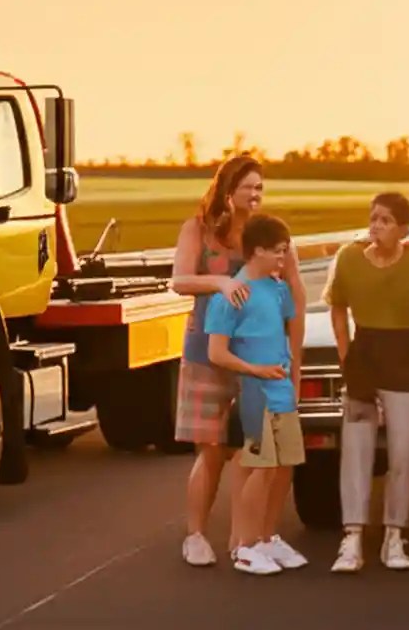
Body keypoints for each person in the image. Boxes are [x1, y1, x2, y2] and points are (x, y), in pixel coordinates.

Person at [170, 153, 306, 567]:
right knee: (211, 449)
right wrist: (221, 282)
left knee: (270, 451)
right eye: (248, 187)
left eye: (260, 188)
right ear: (227, 192)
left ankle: (256, 538)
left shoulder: (270, 237)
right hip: (208, 355)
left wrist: (294, 367)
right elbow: (179, 280)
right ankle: (195, 535)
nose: (255, 195)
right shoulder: (198, 231)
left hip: (262, 360)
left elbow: (295, 303)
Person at [323, 192, 409, 573]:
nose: (376, 225)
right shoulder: (348, 257)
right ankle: (353, 537)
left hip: (406, 363)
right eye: (374, 218)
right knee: (356, 450)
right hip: (365, 359)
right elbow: (338, 308)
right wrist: (346, 355)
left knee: (403, 453)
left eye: (386, 220)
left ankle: (395, 535)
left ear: (403, 229)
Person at [205, 213, 307, 575]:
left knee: (283, 468)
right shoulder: (233, 295)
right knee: (259, 470)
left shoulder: (276, 288)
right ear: (258, 250)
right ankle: (245, 548)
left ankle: (266, 539)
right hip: (255, 394)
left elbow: (293, 321)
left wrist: (291, 376)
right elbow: (217, 352)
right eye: (279, 251)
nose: (284, 258)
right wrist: (255, 371)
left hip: (281, 391)